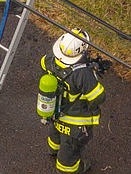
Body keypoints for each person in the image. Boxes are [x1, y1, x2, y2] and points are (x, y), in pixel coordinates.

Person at [37, 28, 108, 173]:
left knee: (55, 132)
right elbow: (98, 97)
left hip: (55, 112)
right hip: (75, 121)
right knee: (70, 147)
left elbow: (43, 64)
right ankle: (68, 169)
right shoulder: (82, 74)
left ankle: (53, 149)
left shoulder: (50, 59)